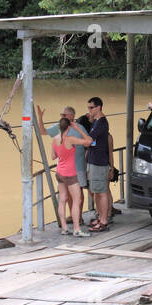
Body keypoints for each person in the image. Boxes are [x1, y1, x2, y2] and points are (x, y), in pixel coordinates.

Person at [36, 104, 92, 236]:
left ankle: (65, 227)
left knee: (63, 199)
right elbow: (89, 141)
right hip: (71, 172)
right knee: (76, 199)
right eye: (61, 115)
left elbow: (53, 156)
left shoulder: (55, 139)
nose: (62, 117)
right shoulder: (70, 137)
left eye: (64, 115)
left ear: (72, 116)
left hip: (61, 172)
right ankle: (77, 228)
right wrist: (40, 118)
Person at [84, 96, 113, 232]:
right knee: (96, 192)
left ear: (98, 107)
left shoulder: (101, 122)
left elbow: (89, 140)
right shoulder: (95, 121)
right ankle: (100, 218)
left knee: (101, 193)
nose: (89, 110)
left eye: (91, 107)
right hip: (93, 161)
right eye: (88, 107)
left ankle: (103, 221)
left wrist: (76, 129)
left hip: (99, 163)